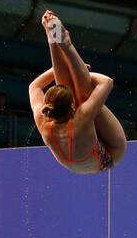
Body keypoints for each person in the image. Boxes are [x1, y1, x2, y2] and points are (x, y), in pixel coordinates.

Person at [29, 11, 127, 175]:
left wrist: (64, 67)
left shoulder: (42, 119)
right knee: (84, 96)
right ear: (72, 109)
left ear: (48, 104)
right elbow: (106, 82)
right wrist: (79, 65)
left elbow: (34, 87)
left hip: (80, 157)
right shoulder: (80, 117)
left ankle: (54, 42)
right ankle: (63, 44)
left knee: (78, 95)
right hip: (109, 155)